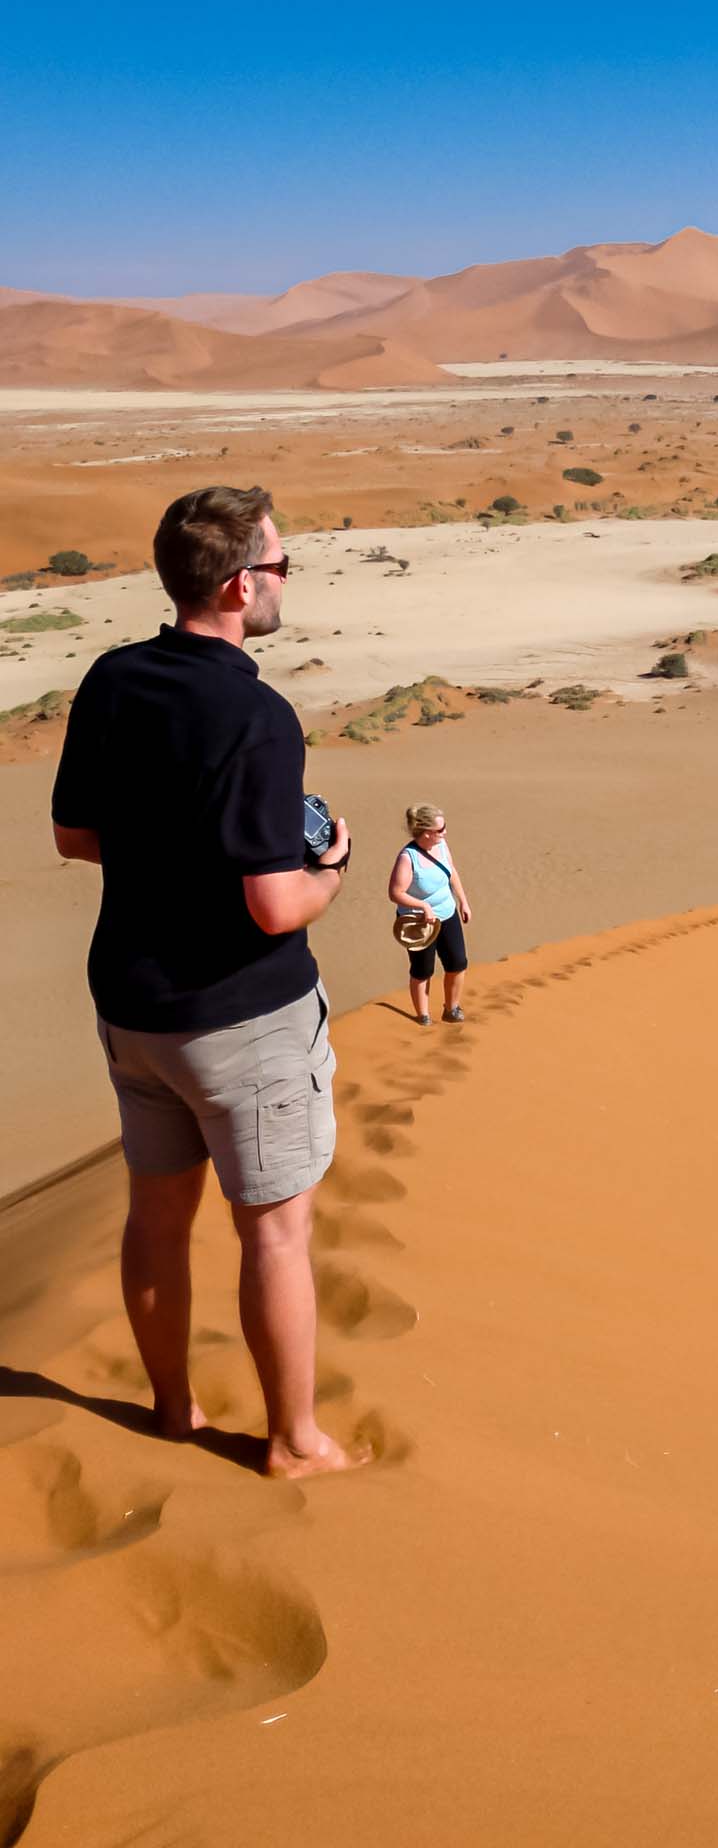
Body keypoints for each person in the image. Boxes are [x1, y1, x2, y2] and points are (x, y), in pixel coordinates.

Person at [50, 485, 367, 1481]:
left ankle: (174, 1407)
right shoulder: (258, 716)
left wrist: (176, 853)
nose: (282, 584)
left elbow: (76, 834)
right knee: (274, 1232)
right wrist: (332, 869)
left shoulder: (113, 678)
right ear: (239, 584)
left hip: (132, 1009)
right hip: (240, 1014)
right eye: (278, 567)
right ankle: (293, 1440)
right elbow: (274, 904)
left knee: (156, 1215)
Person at [388, 803, 471, 1025]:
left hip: (447, 913)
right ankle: (423, 1015)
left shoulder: (441, 846)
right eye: (440, 829)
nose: (445, 832)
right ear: (426, 833)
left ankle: (451, 1008)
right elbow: (395, 893)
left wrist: (463, 901)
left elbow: (452, 872)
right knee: (423, 969)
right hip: (418, 922)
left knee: (457, 963)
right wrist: (423, 907)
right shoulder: (408, 858)